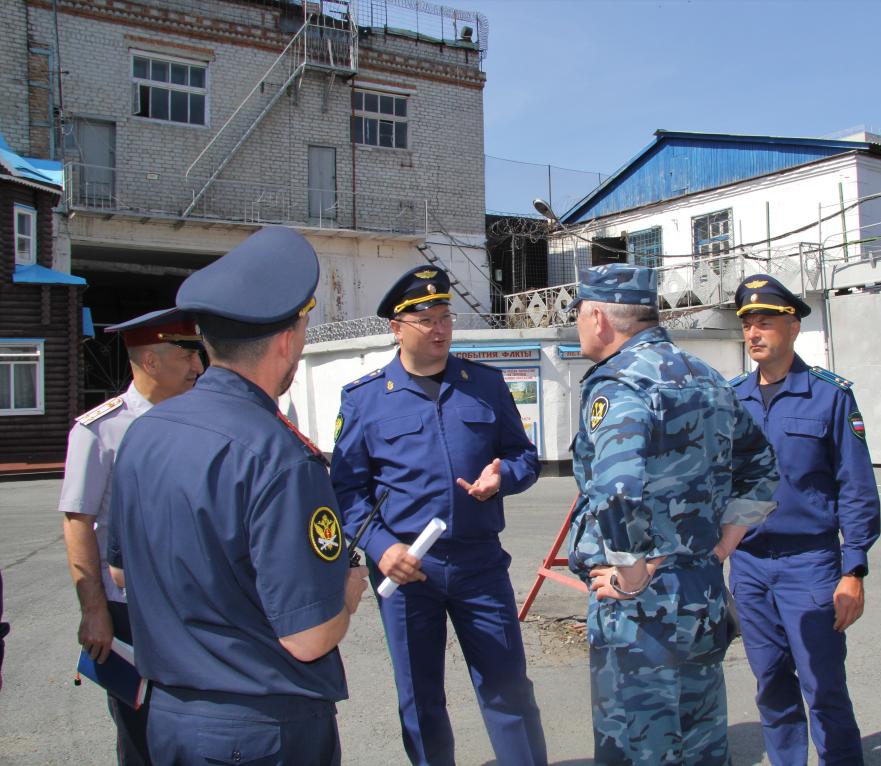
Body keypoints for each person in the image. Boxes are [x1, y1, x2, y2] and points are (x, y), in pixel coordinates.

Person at [109, 227, 368, 765]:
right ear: (287, 340)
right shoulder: (281, 456)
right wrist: (346, 592)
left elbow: (119, 573)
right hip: (261, 732)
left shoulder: (145, 433)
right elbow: (310, 637)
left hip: (167, 721)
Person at [330, 265, 547, 766]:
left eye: (445, 315)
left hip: (479, 565)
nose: (440, 328)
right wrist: (382, 550)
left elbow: (524, 457)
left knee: (507, 687)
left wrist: (504, 478)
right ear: (396, 327)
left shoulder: (485, 386)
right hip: (408, 574)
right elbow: (345, 491)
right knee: (421, 700)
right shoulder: (364, 400)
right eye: (425, 318)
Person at [567, 264, 779, 766]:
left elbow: (617, 489)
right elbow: (762, 466)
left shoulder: (620, 383)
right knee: (701, 741)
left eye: (577, 315)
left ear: (598, 318)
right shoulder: (706, 377)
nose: (577, 325)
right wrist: (726, 541)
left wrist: (631, 573)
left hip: (643, 612)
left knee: (639, 744)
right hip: (701, 594)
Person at [727, 274, 880, 766]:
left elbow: (856, 487)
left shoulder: (830, 396)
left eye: (765, 322)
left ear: (793, 327)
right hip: (749, 565)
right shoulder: (732, 399)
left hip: (809, 564)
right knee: (770, 683)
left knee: (823, 685)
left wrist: (853, 570)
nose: (754, 333)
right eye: (748, 323)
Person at [59, 307, 203, 765]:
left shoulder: (200, 419)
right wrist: (95, 612)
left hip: (196, 606)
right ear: (152, 361)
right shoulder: (99, 430)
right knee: (141, 735)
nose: (199, 367)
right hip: (130, 612)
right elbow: (78, 522)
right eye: (188, 355)